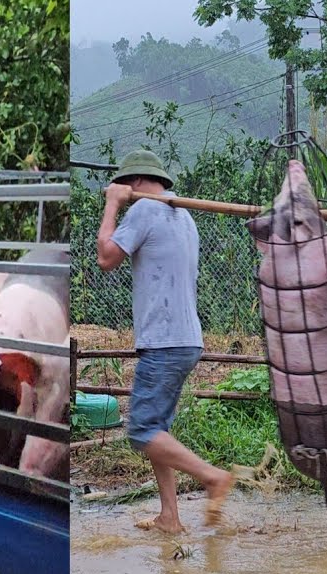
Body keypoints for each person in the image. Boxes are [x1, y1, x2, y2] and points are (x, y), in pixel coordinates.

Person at [95, 149, 234, 534]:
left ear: (135, 183)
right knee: (158, 430)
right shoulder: (183, 216)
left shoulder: (144, 210)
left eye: (124, 185)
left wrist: (112, 204)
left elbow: (106, 258)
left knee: (142, 431)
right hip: (186, 339)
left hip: (164, 341)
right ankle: (169, 516)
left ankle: (212, 478)